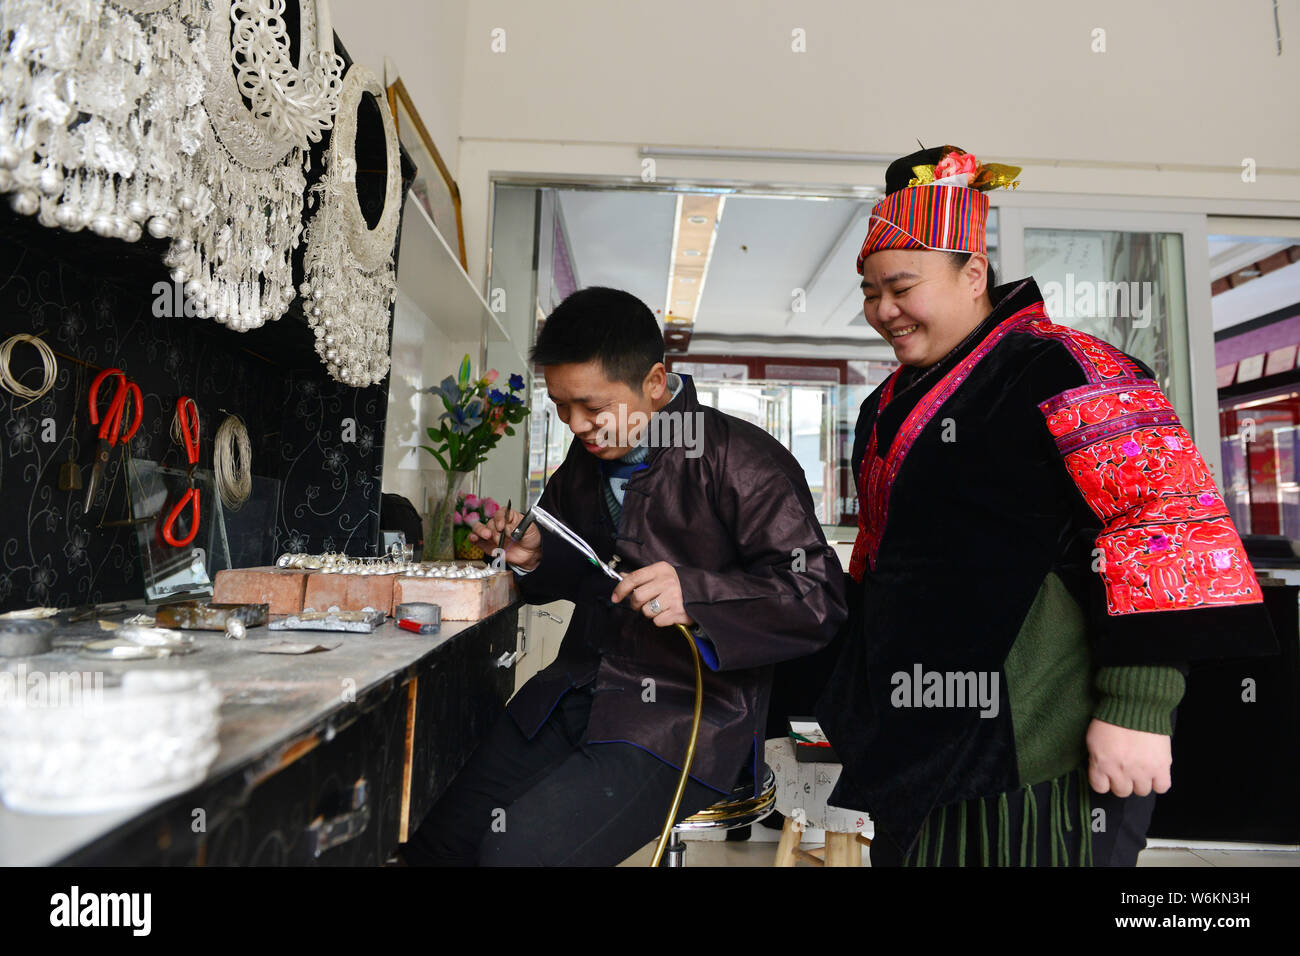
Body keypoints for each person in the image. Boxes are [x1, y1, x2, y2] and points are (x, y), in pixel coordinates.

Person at [815, 145, 1277, 866]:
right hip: (917, 739)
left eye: (901, 287)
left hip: (1034, 739)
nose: (883, 311)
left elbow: (1162, 521)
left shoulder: (1067, 366)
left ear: (973, 273)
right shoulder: (885, 403)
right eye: (871, 293)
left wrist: (1139, 707)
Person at [403, 286, 846, 866]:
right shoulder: (588, 461)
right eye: (562, 407)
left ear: (655, 384)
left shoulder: (739, 460)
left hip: (683, 717)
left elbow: (818, 597)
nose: (578, 426)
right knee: (442, 841)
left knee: (517, 853)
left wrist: (697, 595)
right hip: (573, 692)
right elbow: (582, 568)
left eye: (592, 406)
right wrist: (533, 555)